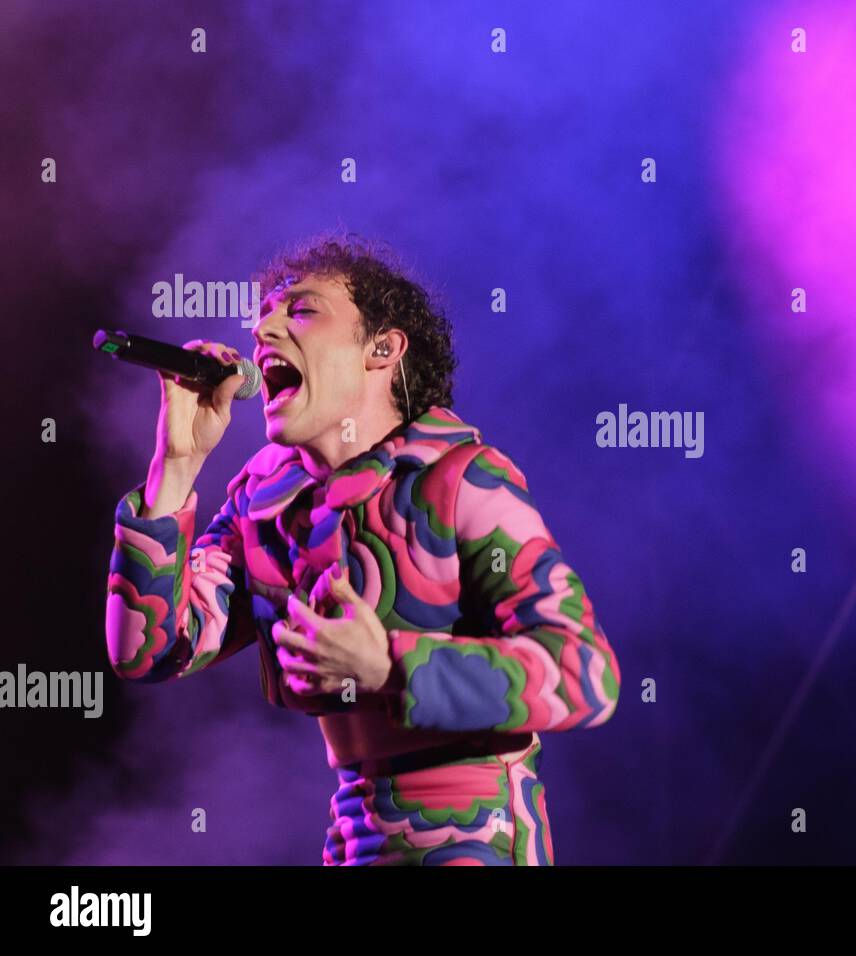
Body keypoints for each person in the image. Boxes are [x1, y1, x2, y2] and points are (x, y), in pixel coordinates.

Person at [104, 236, 620, 865]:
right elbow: (149, 651)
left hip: (478, 836)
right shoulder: (264, 499)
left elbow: (586, 674)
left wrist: (391, 668)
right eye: (263, 314)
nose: (263, 328)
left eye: (300, 310)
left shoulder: (459, 480)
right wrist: (176, 467)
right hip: (356, 832)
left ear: (383, 348)